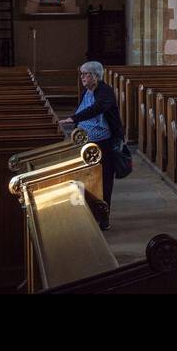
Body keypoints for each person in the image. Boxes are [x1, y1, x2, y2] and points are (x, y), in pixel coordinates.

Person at [70, 60, 122, 227]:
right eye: (82, 74)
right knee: (84, 178)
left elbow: (97, 108)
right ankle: (87, 214)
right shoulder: (88, 91)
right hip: (86, 143)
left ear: (95, 76)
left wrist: (74, 118)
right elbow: (82, 110)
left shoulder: (105, 91)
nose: (82, 77)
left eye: (85, 74)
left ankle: (103, 218)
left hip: (103, 144)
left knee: (103, 181)